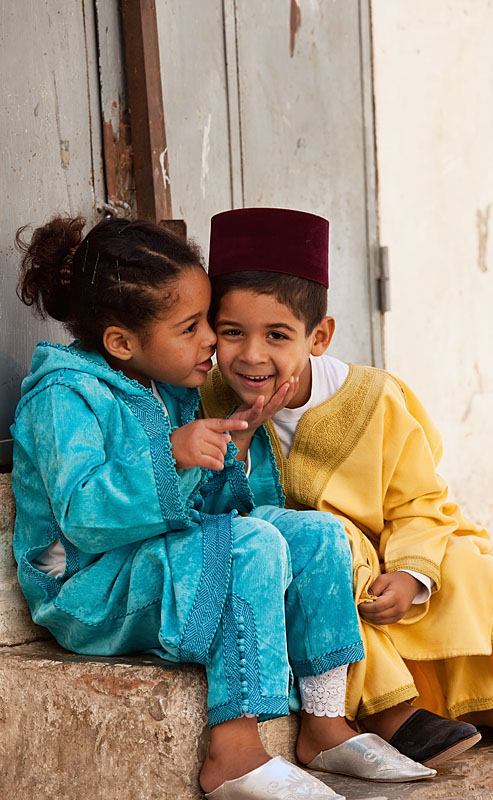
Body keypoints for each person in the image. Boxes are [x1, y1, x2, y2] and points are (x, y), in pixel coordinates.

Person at [10, 215, 434, 800]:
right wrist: (172, 455)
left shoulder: (172, 385)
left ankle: (324, 723)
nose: (211, 339)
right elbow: (84, 515)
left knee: (315, 533)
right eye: (192, 326)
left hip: (153, 562)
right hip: (88, 589)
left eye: (208, 321)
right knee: (248, 546)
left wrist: (232, 445)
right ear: (121, 342)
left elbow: (215, 509)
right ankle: (234, 751)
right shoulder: (65, 396)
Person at [201, 206, 493, 768]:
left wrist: (412, 573)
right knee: (341, 557)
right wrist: (245, 429)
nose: (251, 355)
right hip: (318, 559)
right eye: (232, 332)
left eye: (277, 335)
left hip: (399, 548)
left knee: (466, 563)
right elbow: (225, 505)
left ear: (319, 336)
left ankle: (491, 705)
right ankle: (392, 712)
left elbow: (420, 501)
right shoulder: (207, 399)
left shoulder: (373, 398)